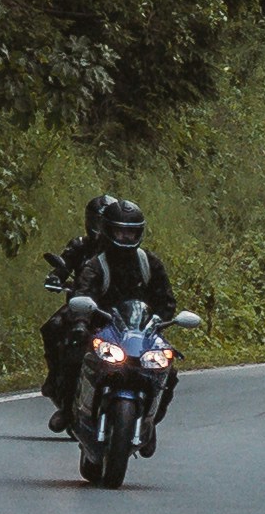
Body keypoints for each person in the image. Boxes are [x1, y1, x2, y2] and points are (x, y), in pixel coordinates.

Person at [47, 185, 172, 440]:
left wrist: (162, 320)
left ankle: (150, 421)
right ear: (108, 230)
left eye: (130, 233)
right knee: (73, 354)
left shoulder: (149, 263)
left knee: (168, 367)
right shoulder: (95, 264)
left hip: (139, 329)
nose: (125, 238)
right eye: (119, 232)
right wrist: (81, 322)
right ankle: (68, 410)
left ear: (139, 233)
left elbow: (166, 300)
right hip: (101, 325)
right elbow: (84, 292)